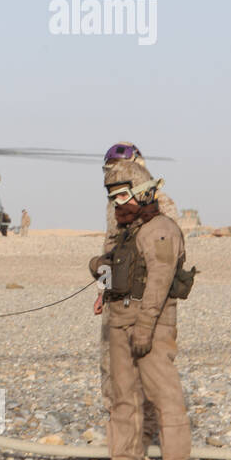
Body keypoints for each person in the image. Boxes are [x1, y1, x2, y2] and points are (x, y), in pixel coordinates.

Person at [89, 175, 194, 460]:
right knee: (124, 395)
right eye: (114, 198)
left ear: (142, 196)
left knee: (165, 395)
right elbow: (117, 269)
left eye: (123, 197)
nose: (117, 204)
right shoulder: (127, 233)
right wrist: (101, 283)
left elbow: (160, 282)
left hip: (151, 323)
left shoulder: (159, 231)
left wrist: (145, 328)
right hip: (120, 319)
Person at [95, 143, 180, 444]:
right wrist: (103, 280)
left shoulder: (158, 204)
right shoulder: (115, 205)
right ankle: (126, 443)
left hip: (147, 302)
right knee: (114, 371)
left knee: (153, 372)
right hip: (117, 301)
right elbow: (111, 248)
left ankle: (150, 437)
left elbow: (163, 265)